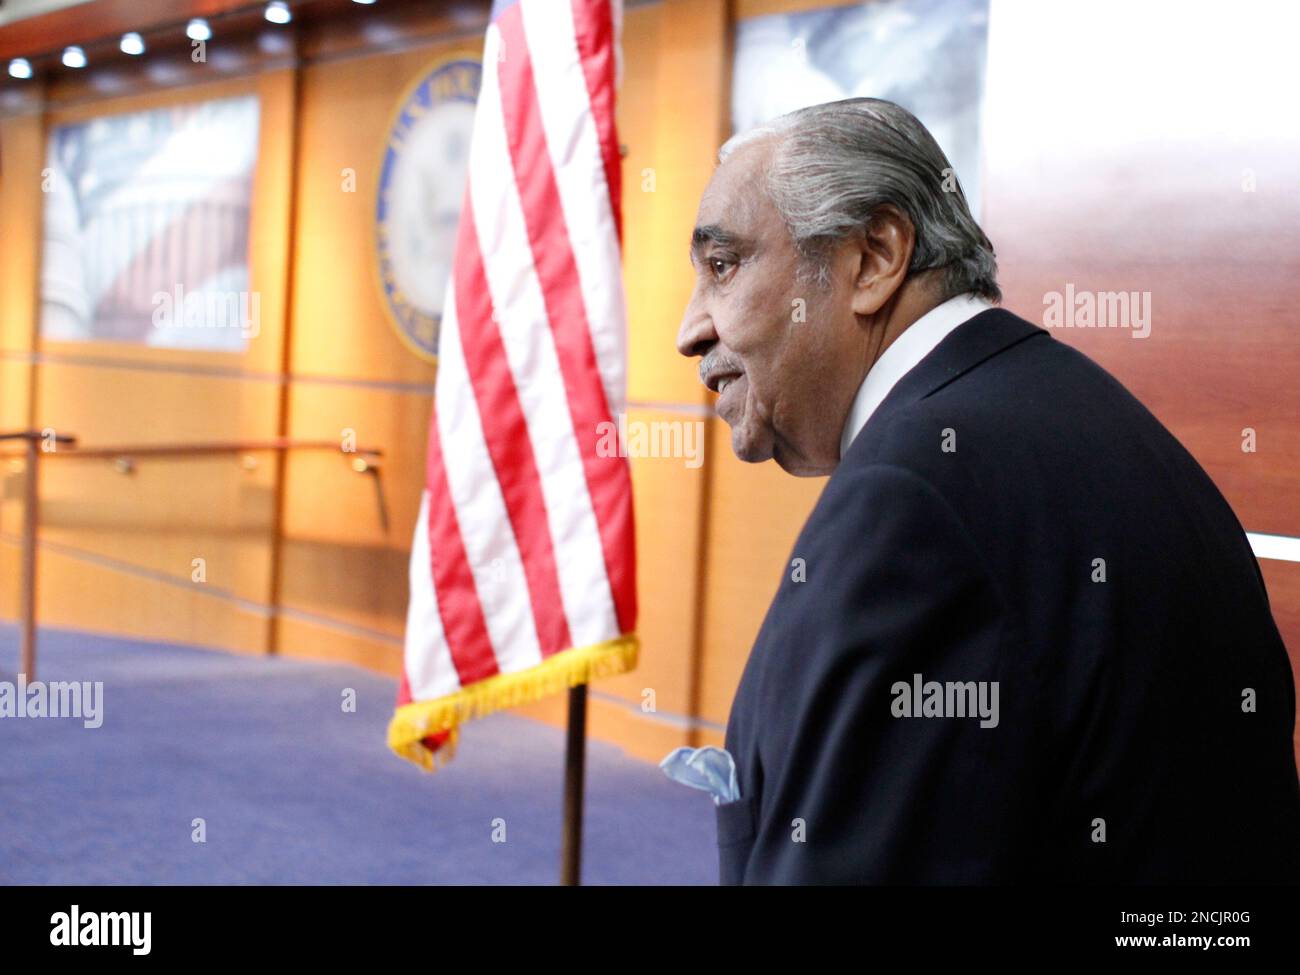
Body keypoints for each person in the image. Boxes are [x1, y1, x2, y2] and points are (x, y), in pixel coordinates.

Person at [675, 97, 1300, 884]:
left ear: (874, 256)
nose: (689, 327)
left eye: (722, 266)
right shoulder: (1086, 415)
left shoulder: (911, 499)